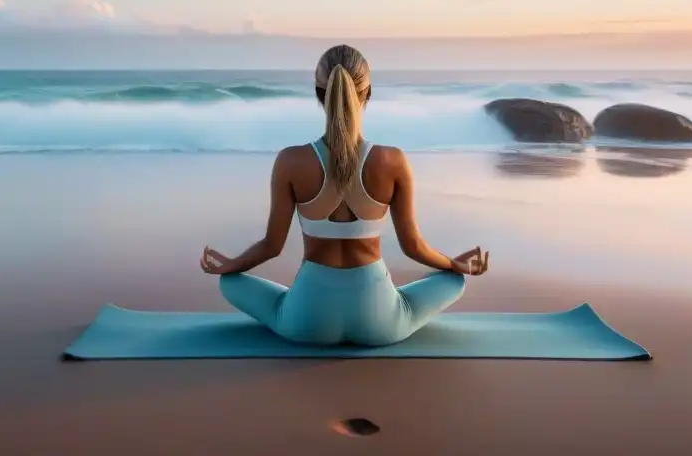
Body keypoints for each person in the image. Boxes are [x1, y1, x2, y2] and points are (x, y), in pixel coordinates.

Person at [199, 44, 489, 346]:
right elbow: (413, 247)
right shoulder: (392, 161)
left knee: (230, 283)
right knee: (452, 281)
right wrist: (454, 264)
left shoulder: (291, 161)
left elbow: (272, 246)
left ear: (318, 93)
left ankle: (296, 304)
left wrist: (232, 264)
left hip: (306, 322)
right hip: (379, 323)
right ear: (368, 94)